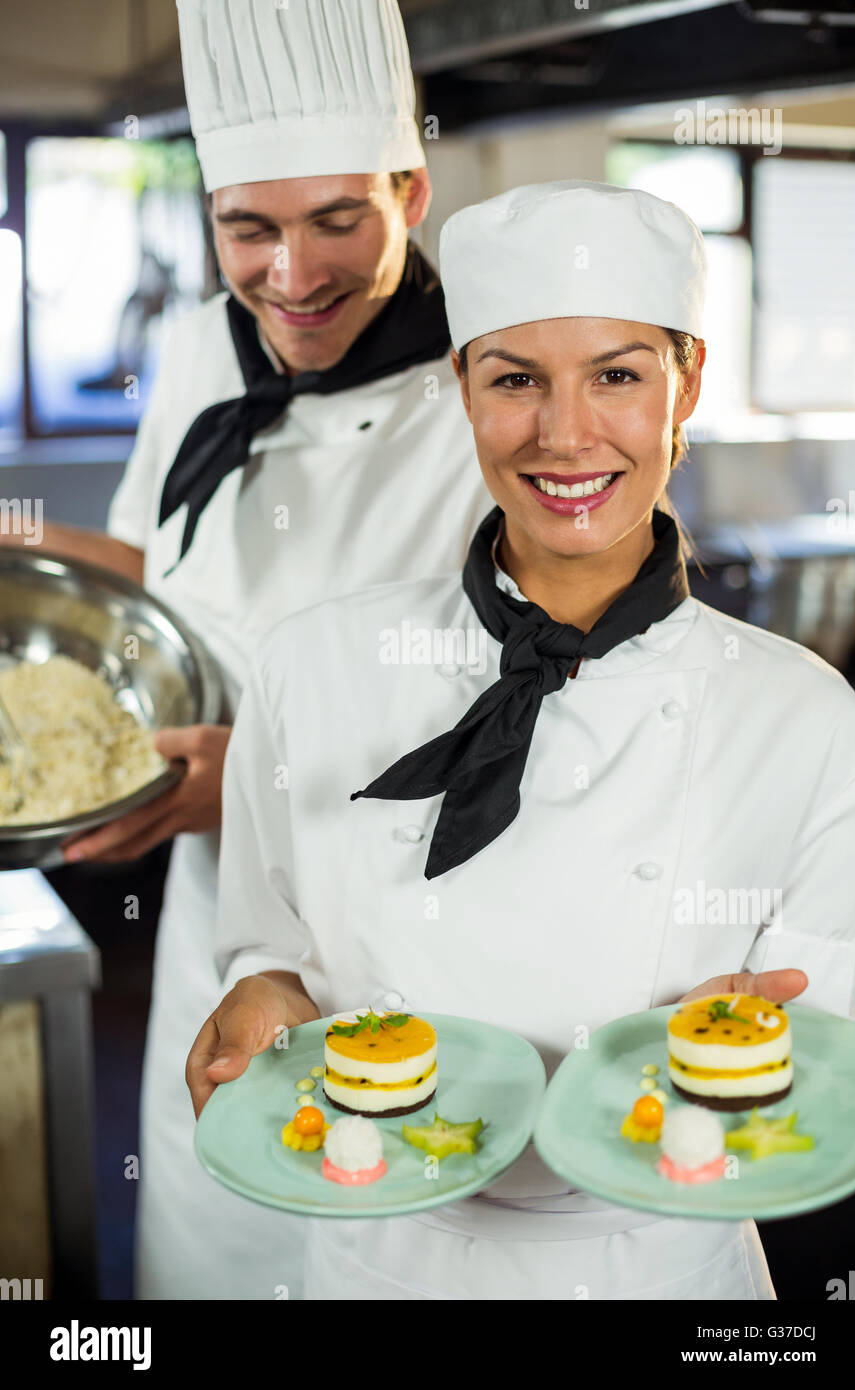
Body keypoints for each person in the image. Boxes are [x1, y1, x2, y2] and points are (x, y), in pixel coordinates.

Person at [188, 180, 855, 1300]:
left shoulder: (804, 716)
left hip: (660, 1265)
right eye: (513, 380)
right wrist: (262, 994)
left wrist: (767, 1044)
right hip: (379, 1253)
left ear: (683, 381)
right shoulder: (310, 668)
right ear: (461, 387)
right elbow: (265, 943)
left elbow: (810, 1026)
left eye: (616, 375)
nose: (565, 435)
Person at [4, 0, 491, 1299]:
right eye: (247, 227)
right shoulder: (189, 355)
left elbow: (536, 704)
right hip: (221, 937)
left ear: (411, 185)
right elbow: (158, 589)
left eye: (337, 219)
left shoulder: (487, 393)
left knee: (385, 1244)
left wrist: (261, 777)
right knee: (206, 1249)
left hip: (416, 947)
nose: (289, 273)